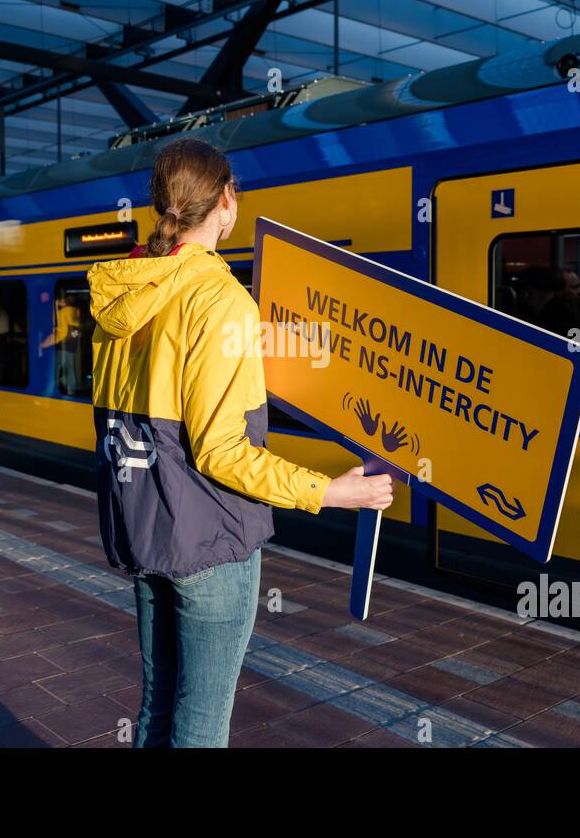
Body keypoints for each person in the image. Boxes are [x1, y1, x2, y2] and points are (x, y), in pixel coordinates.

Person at [86, 138, 394, 748]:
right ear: (227, 200)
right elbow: (221, 452)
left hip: (142, 528)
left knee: (157, 708)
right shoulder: (220, 299)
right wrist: (329, 491)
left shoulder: (122, 293)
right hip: (210, 539)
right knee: (202, 721)